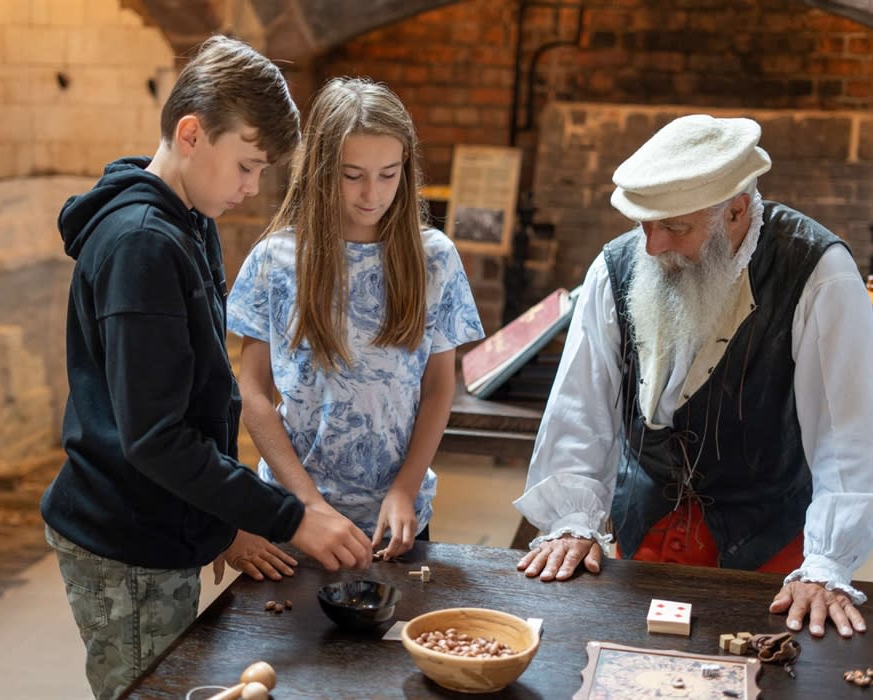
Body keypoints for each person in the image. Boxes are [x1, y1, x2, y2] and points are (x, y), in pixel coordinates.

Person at [40, 37, 373, 700]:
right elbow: (156, 436)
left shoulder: (188, 218)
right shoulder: (142, 242)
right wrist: (289, 516)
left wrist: (223, 521)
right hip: (127, 538)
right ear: (191, 133)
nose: (252, 189)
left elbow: (191, 394)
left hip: (163, 518)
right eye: (246, 165)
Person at [513, 114, 873, 639]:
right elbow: (579, 406)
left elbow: (847, 435)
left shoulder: (818, 272)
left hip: (773, 555)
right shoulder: (618, 264)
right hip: (643, 537)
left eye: (676, 227)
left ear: (736, 209)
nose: (654, 246)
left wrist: (827, 563)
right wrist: (572, 519)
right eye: (645, 225)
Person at [227, 77, 484, 561]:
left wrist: (406, 488)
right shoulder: (274, 259)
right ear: (322, 170)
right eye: (352, 175)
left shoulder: (435, 259)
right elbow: (254, 393)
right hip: (294, 514)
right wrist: (306, 504)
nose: (372, 194)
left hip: (396, 517)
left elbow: (438, 389)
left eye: (388, 174)